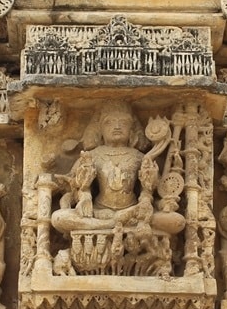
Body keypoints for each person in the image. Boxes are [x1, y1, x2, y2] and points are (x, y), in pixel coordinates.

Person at [51, 101, 183, 236]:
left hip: (133, 211)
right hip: (99, 213)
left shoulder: (139, 157)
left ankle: (110, 224)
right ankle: (113, 223)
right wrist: (82, 191)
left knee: (177, 221)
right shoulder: (91, 155)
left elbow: (157, 191)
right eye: (109, 122)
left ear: (132, 129)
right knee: (59, 218)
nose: (117, 126)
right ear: (100, 129)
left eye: (124, 122)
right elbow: (72, 187)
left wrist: (158, 199)